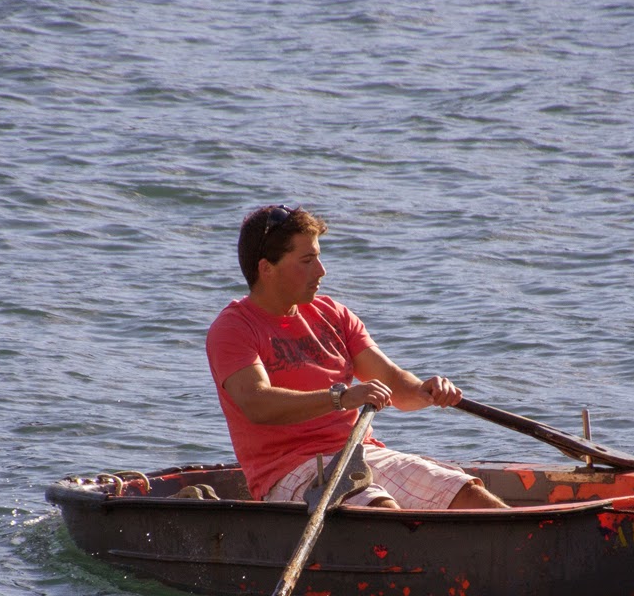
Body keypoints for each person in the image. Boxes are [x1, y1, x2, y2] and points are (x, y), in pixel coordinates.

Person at [206, 204, 507, 511]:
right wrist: (341, 398)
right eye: (307, 261)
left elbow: (393, 382)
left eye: (319, 257)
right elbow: (258, 404)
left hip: (361, 453)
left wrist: (424, 391)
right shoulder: (233, 328)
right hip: (290, 472)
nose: (321, 271)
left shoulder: (333, 315)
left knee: (471, 496)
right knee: (381, 511)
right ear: (266, 268)